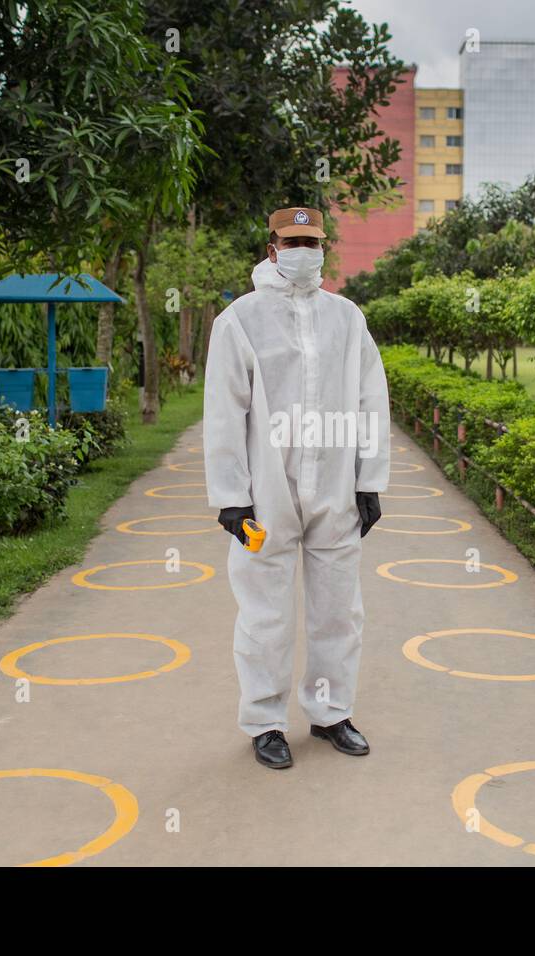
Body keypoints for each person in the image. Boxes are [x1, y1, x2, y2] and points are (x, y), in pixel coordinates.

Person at [203, 205, 390, 770]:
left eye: (313, 240)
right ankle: (265, 721)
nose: (304, 249)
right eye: (293, 240)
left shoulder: (347, 318)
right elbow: (224, 413)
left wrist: (369, 480)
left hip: (334, 490)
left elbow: (369, 399)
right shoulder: (240, 320)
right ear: (272, 249)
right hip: (267, 496)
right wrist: (231, 496)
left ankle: (331, 714)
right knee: (265, 614)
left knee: (339, 610)